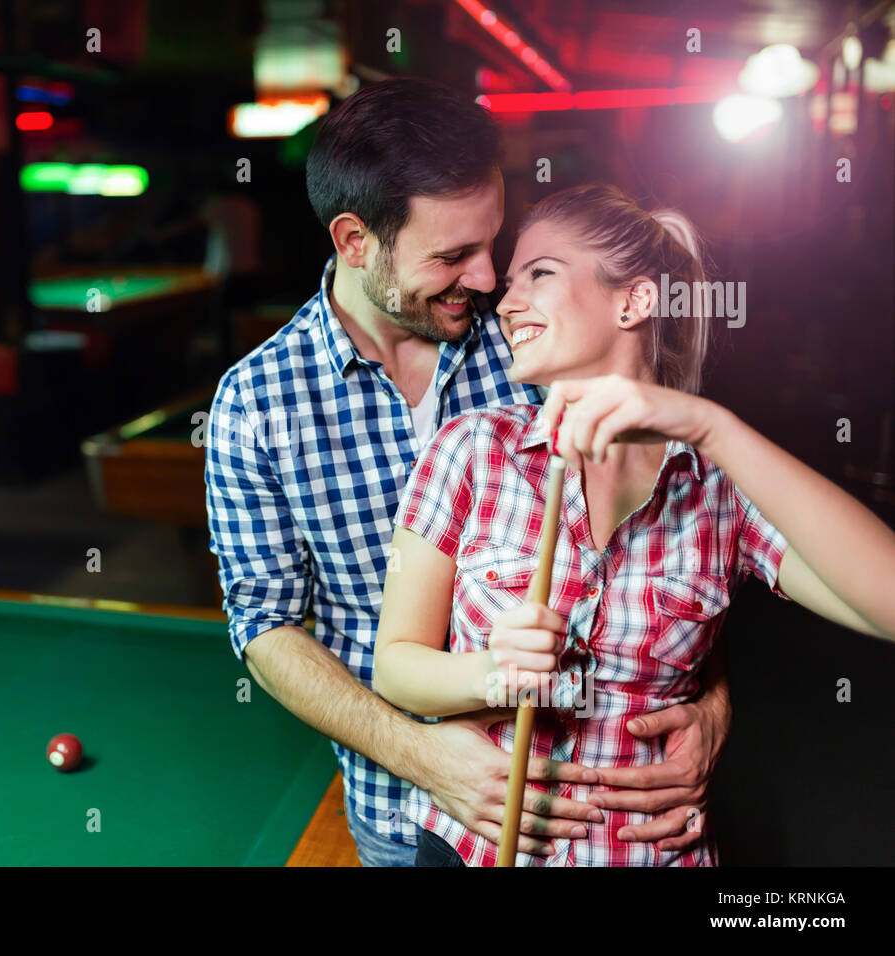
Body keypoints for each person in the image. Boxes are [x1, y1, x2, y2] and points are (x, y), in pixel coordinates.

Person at [205, 79, 733, 866]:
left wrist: (715, 709)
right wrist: (424, 759)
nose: (488, 279)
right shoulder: (253, 403)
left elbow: (668, 544)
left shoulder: (540, 338)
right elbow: (265, 625)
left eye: (494, 243)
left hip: (608, 818)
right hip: (403, 818)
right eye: (453, 254)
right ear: (355, 241)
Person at [374, 184, 895, 866]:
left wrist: (712, 427)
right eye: (508, 283)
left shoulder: (718, 487)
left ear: (635, 300)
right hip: (477, 854)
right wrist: (492, 671)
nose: (504, 303)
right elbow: (395, 666)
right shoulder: (471, 449)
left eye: (540, 275)